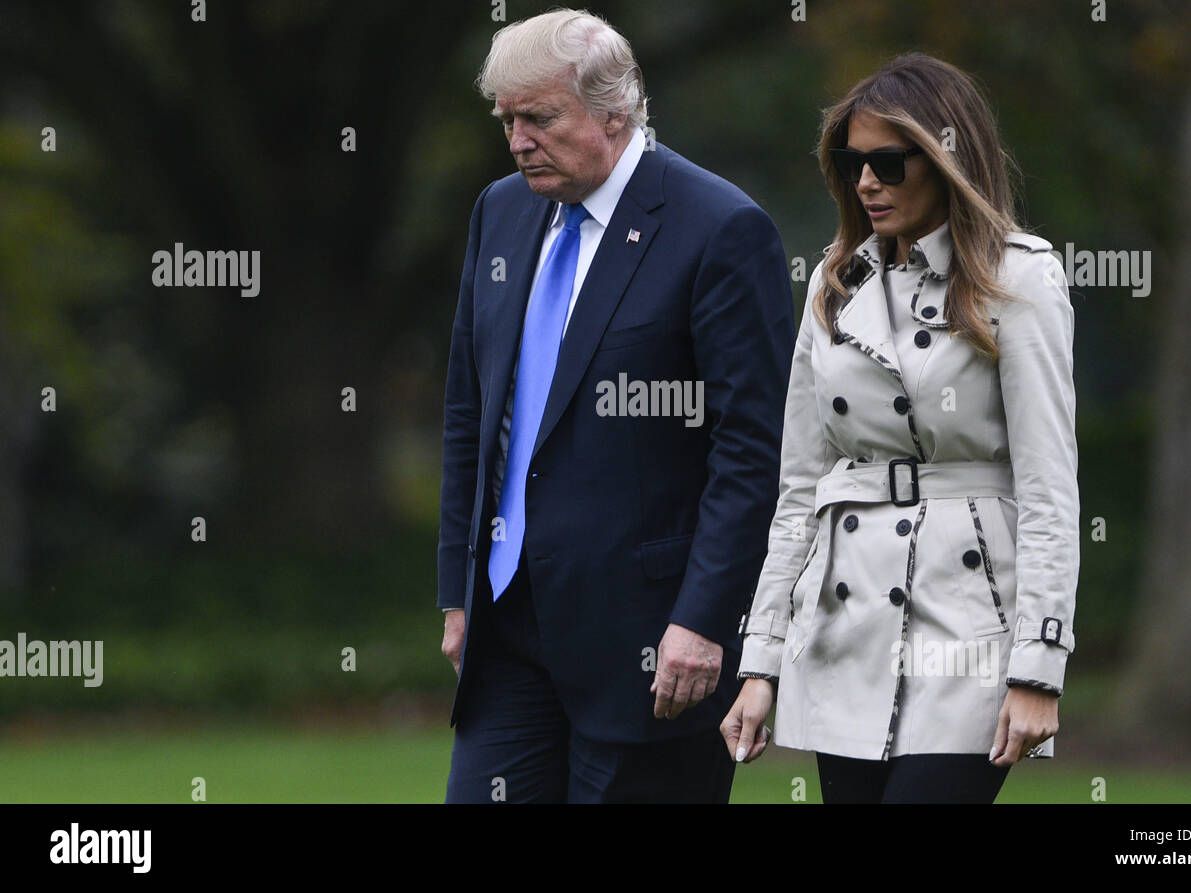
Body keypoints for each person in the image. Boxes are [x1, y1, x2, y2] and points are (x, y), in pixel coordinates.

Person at [438, 9, 794, 803]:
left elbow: (753, 451)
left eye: (539, 117)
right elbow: (471, 411)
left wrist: (706, 619)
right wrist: (457, 593)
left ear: (616, 110)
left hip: (654, 643)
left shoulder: (721, 229)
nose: (519, 139)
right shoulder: (499, 212)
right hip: (507, 633)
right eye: (506, 120)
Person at [720, 53, 1080, 803]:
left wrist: (1039, 664)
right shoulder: (833, 283)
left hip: (969, 632)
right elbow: (798, 492)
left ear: (948, 156)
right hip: (844, 632)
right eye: (852, 163)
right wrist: (760, 661)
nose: (866, 183)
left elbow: (1049, 492)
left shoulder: (1019, 280)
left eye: (888, 161)